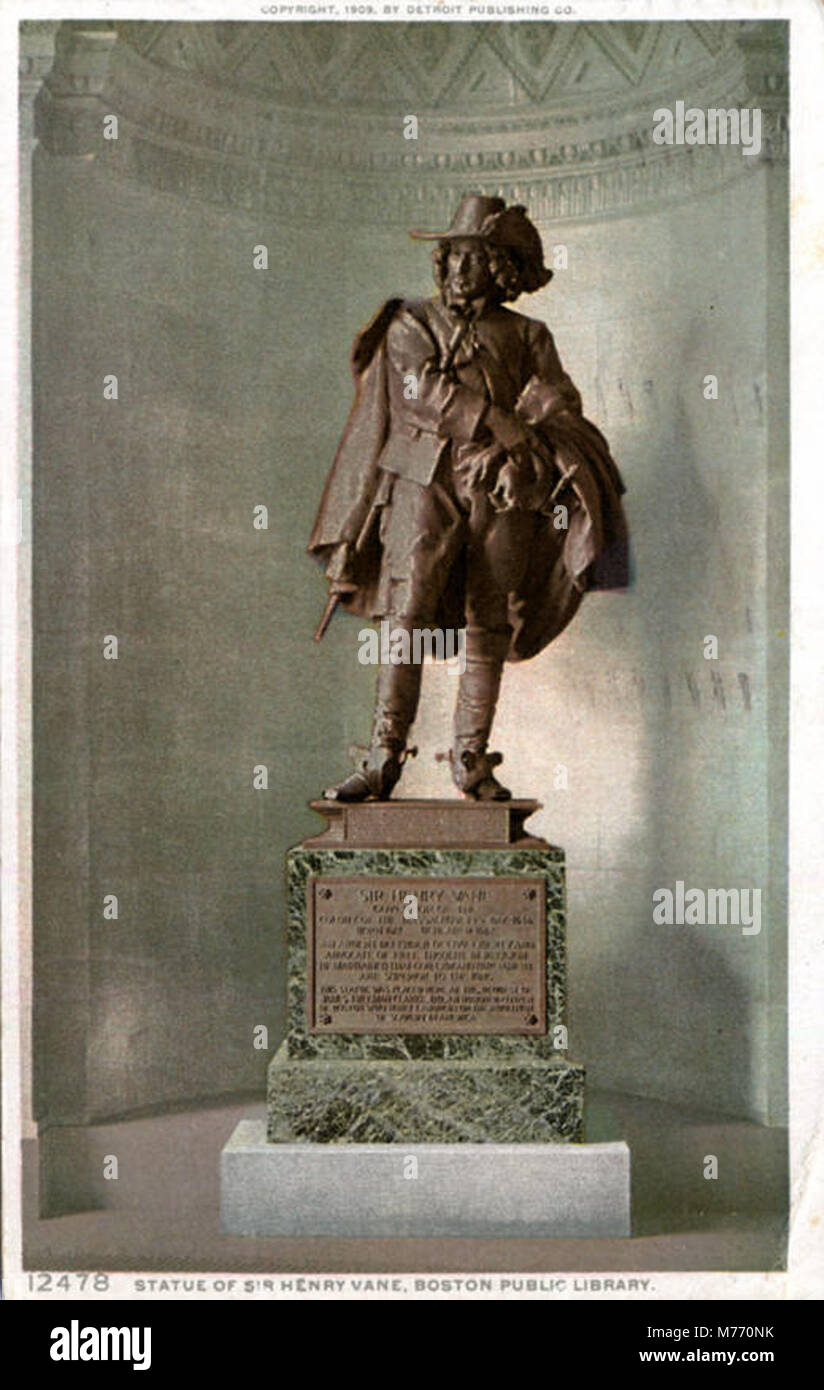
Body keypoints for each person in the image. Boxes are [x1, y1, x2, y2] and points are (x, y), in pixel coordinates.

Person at [309, 194, 629, 802]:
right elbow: (418, 391)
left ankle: (470, 759)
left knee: (490, 616)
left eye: (474, 258)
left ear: (501, 268)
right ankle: (383, 756)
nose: (459, 268)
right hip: (422, 480)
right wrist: (499, 421)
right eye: (453, 255)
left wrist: (525, 440)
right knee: (405, 617)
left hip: (501, 484)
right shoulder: (411, 323)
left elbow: (562, 402)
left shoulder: (530, 335)